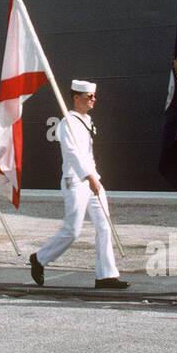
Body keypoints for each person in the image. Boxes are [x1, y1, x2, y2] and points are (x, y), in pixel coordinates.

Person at [29, 80, 127, 290]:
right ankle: (39, 258)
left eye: (94, 96)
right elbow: (72, 154)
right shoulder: (68, 123)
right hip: (75, 180)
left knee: (104, 225)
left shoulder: (87, 120)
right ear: (76, 98)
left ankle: (106, 275)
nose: (93, 99)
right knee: (73, 230)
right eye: (89, 96)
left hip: (93, 179)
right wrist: (88, 177)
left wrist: (94, 177)